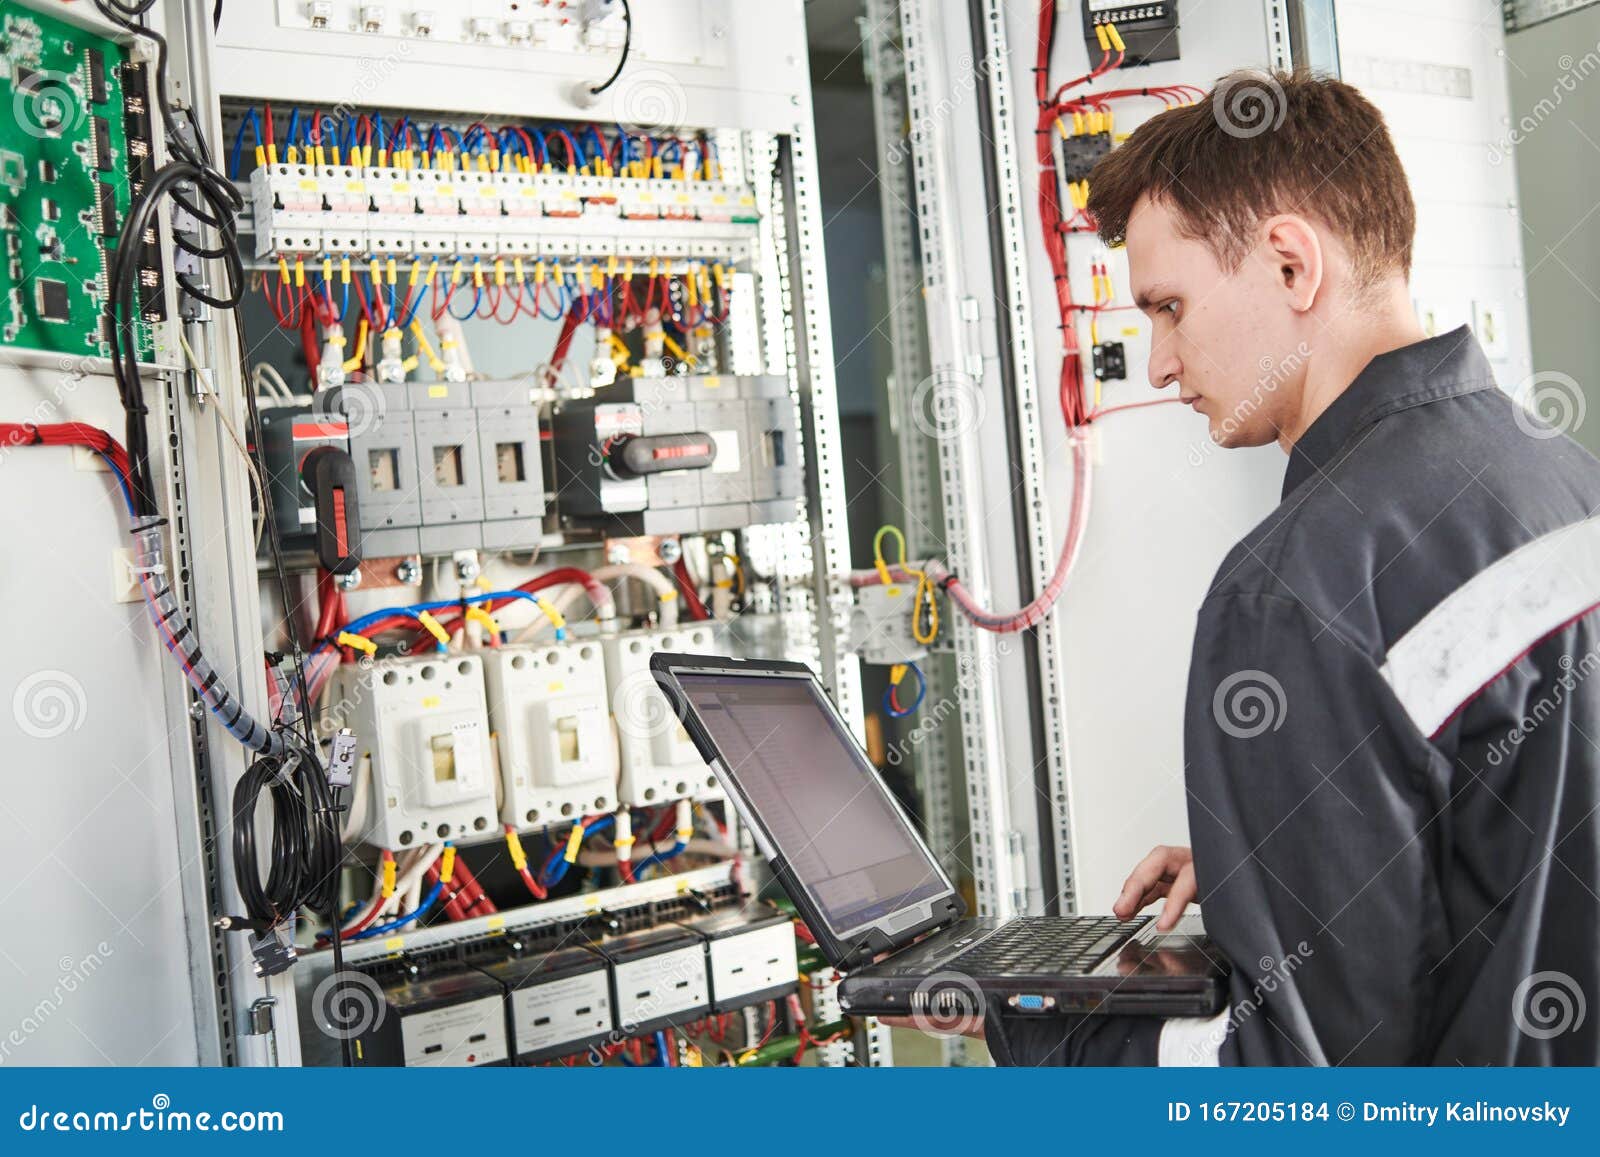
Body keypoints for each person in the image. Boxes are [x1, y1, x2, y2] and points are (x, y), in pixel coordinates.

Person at [983, 69, 1600, 1065]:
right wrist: (1280, 856)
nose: (1158, 363)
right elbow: (1528, 814)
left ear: (1287, 265)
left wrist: (1047, 1036)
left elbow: (1306, 1093)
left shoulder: (1294, 587)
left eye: (1169, 307)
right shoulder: (1565, 477)